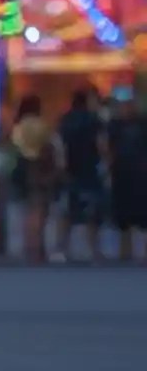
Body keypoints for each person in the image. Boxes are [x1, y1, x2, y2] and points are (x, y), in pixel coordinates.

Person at [55, 89, 108, 262]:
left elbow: (59, 145)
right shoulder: (94, 120)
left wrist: (61, 167)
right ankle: (94, 251)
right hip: (90, 169)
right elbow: (102, 145)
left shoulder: (65, 120)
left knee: (68, 212)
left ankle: (62, 249)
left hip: (70, 171)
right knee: (92, 213)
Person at [10, 94, 62, 264]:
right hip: (40, 172)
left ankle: (27, 247)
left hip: (21, 172)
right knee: (40, 212)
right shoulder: (42, 126)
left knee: (25, 213)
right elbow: (52, 148)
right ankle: (38, 247)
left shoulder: (17, 127)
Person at [106, 91, 147, 261]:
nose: (126, 108)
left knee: (143, 217)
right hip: (121, 174)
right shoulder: (114, 125)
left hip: (141, 176)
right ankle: (125, 253)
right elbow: (107, 148)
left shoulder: (143, 124)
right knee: (123, 218)